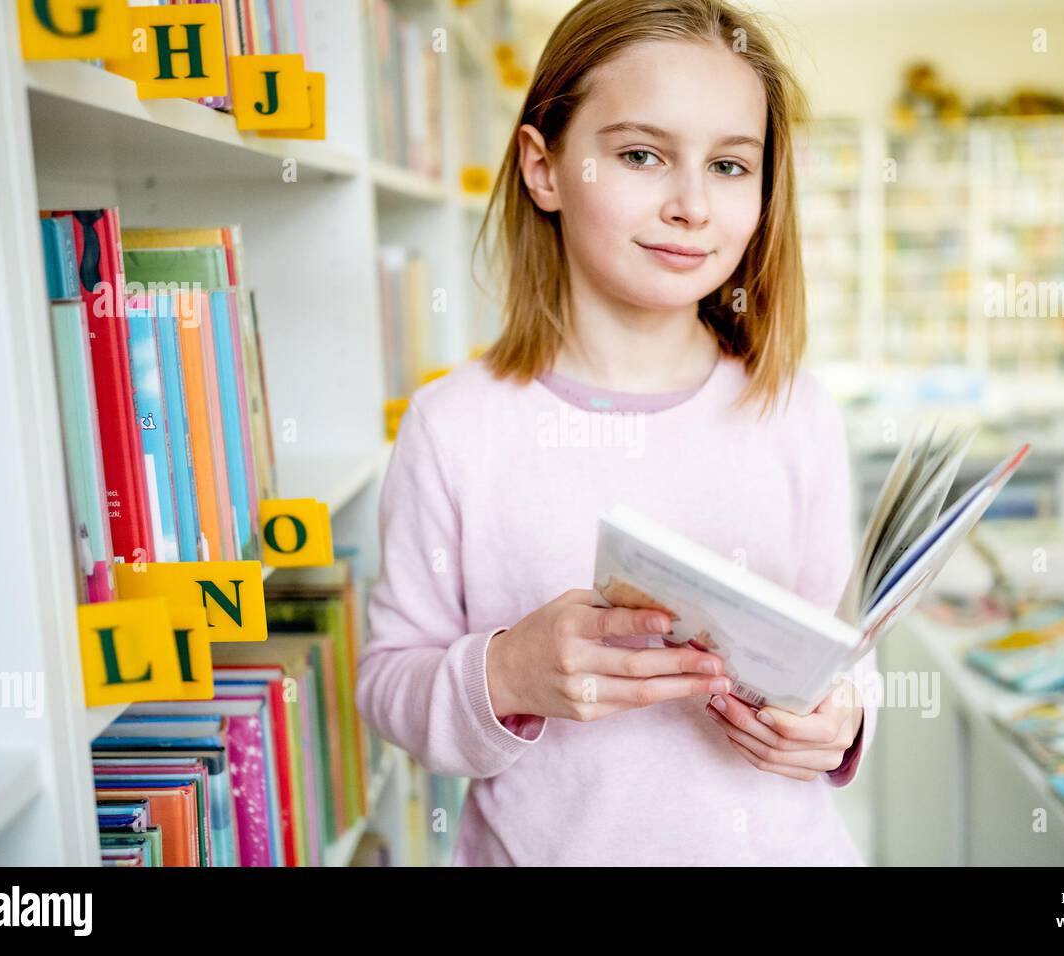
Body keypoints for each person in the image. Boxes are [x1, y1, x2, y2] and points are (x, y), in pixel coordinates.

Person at [358, 0, 877, 866]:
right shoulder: (454, 427)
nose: (691, 205)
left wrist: (843, 718)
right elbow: (387, 685)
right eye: (642, 155)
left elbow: (846, 650)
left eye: (729, 165)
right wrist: (509, 673)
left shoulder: (795, 412)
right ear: (544, 168)